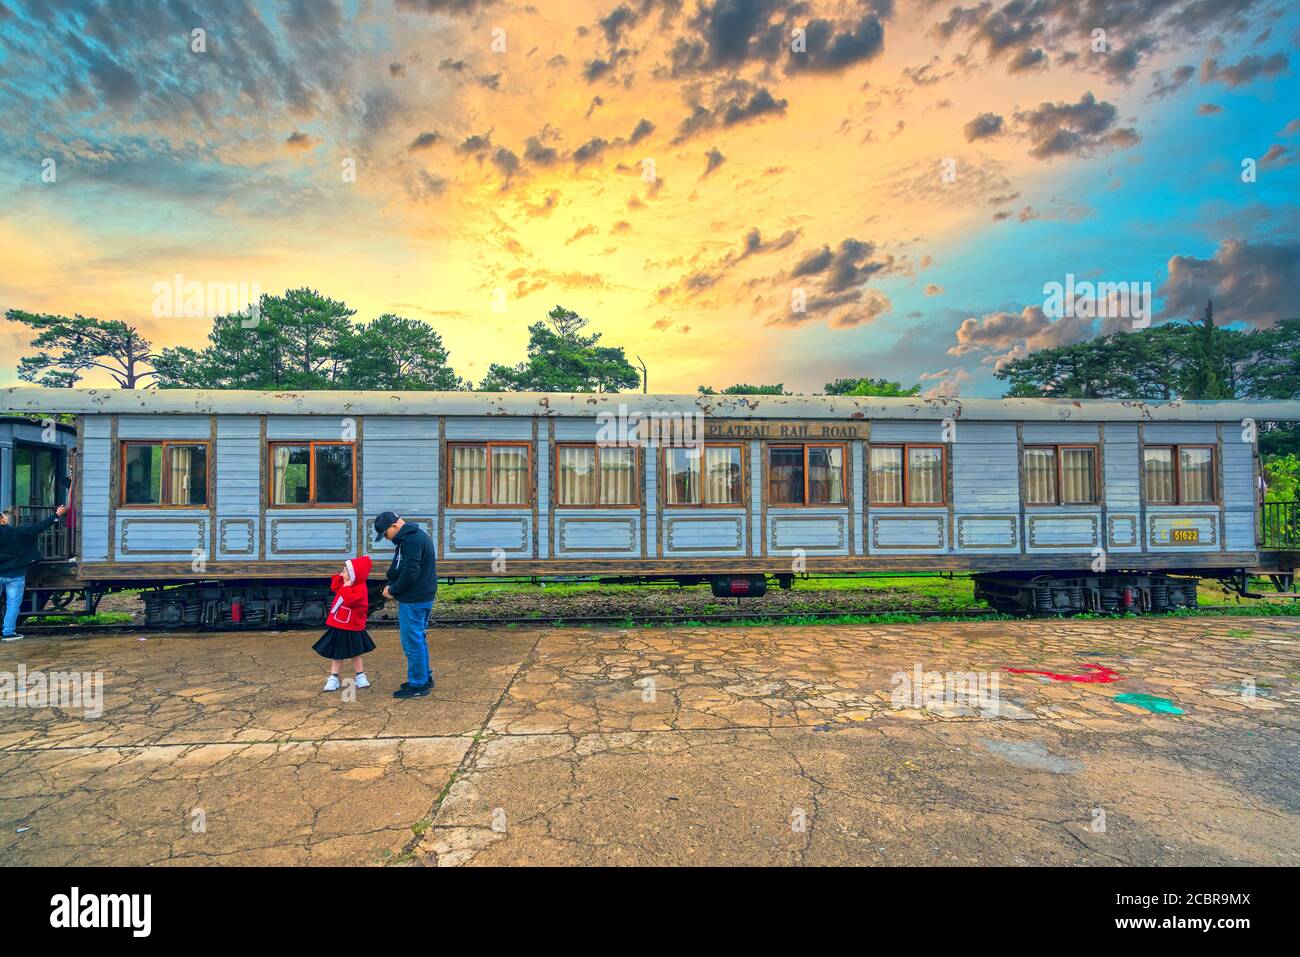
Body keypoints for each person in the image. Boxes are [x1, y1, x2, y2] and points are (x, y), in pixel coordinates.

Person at [373, 511, 437, 699]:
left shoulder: (410, 540)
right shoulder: (413, 537)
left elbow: (411, 572)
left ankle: (418, 684)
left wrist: (393, 590)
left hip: (414, 599)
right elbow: (401, 568)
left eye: (385, 533)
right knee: (418, 639)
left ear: (394, 526)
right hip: (421, 596)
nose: (386, 538)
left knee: (412, 642)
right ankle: (424, 678)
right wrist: (392, 582)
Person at [0, 504, 68, 642]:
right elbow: (38, 528)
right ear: (2, 520)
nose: (7, 517)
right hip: (15, 575)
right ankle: (8, 633)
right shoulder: (18, 533)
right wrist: (56, 515)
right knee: (12, 604)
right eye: (5, 516)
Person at [312, 555, 375, 692]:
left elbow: (351, 600)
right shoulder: (347, 583)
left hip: (353, 626)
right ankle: (333, 678)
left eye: (345, 571)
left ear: (354, 575)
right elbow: (334, 586)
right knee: (337, 654)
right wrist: (341, 577)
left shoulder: (360, 587)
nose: (342, 573)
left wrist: (346, 587)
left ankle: (360, 676)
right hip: (340, 625)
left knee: (355, 653)